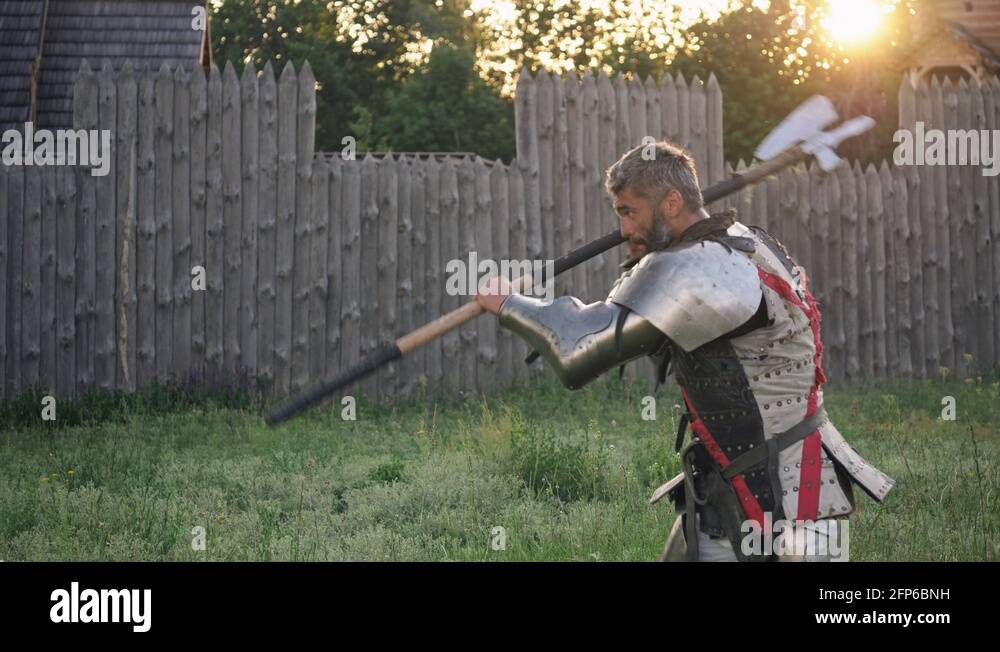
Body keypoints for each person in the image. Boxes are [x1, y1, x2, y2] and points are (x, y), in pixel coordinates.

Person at [475, 141, 895, 561]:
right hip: (767, 479)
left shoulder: (696, 265)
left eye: (629, 211)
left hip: (776, 494)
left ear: (672, 202)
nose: (622, 229)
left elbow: (576, 350)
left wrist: (507, 304)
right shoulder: (745, 241)